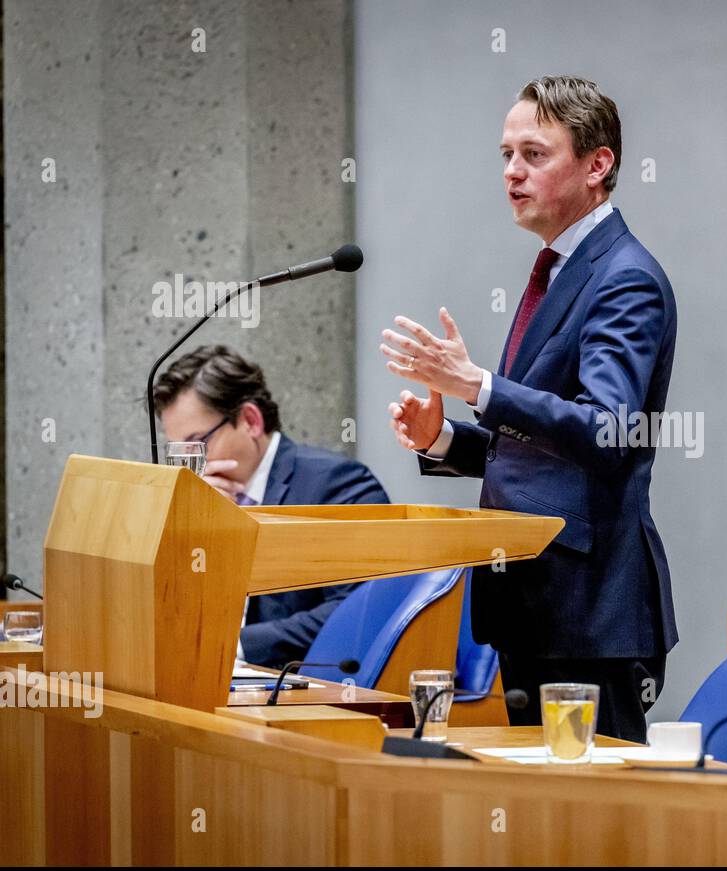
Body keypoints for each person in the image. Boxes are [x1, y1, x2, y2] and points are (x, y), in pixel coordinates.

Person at [379, 75, 678, 744]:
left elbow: (607, 431)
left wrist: (479, 385)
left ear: (598, 164)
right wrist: (443, 440)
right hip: (532, 600)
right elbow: (539, 451)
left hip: (588, 608)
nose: (512, 172)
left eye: (534, 154)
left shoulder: (623, 276)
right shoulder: (559, 267)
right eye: (506, 155)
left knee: (598, 829)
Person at [154, 345, 389, 666]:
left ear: (250, 420)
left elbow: (355, 609)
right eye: (179, 453)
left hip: (304, 690)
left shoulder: (337, 485)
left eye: (198, 445)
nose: (190, 468)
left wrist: (232, 648)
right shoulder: (196, 499)